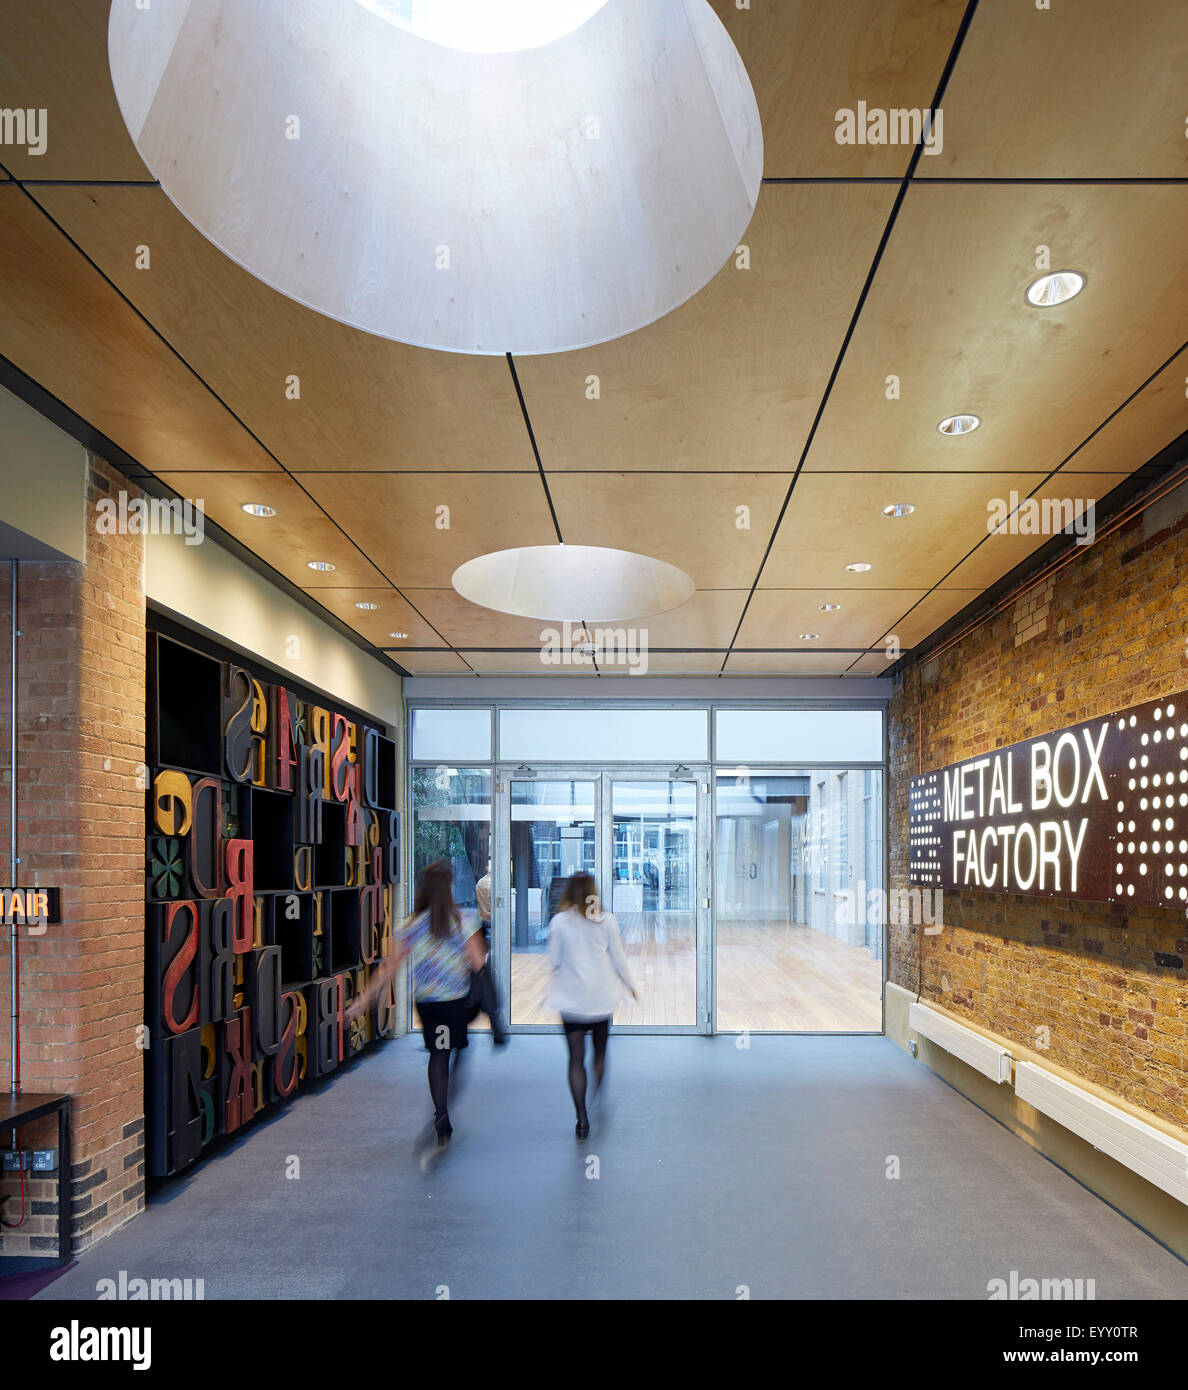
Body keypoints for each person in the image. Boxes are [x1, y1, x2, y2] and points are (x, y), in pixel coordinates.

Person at [350, 860, 484, 1146]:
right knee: (456, 1053)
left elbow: (389, 967)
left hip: (427, 1003)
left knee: (438, 1054)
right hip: (455, 1002)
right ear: (448, 888)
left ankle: (440, 1112)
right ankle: (445, 1107)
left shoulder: (410, 925)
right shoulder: (464, 920)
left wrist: (364, 999)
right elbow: (477, 962)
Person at [545, 872, 638, 1139]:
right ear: (592, 892)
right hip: (601, 999)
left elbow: (553, 961)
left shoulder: (559, 922)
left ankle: (581, 1118)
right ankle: (598, 1093)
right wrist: (630, 984)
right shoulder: (606, 921)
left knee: (575, 1059)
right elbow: (619, 958)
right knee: (599, 1052)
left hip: (571, 1000)